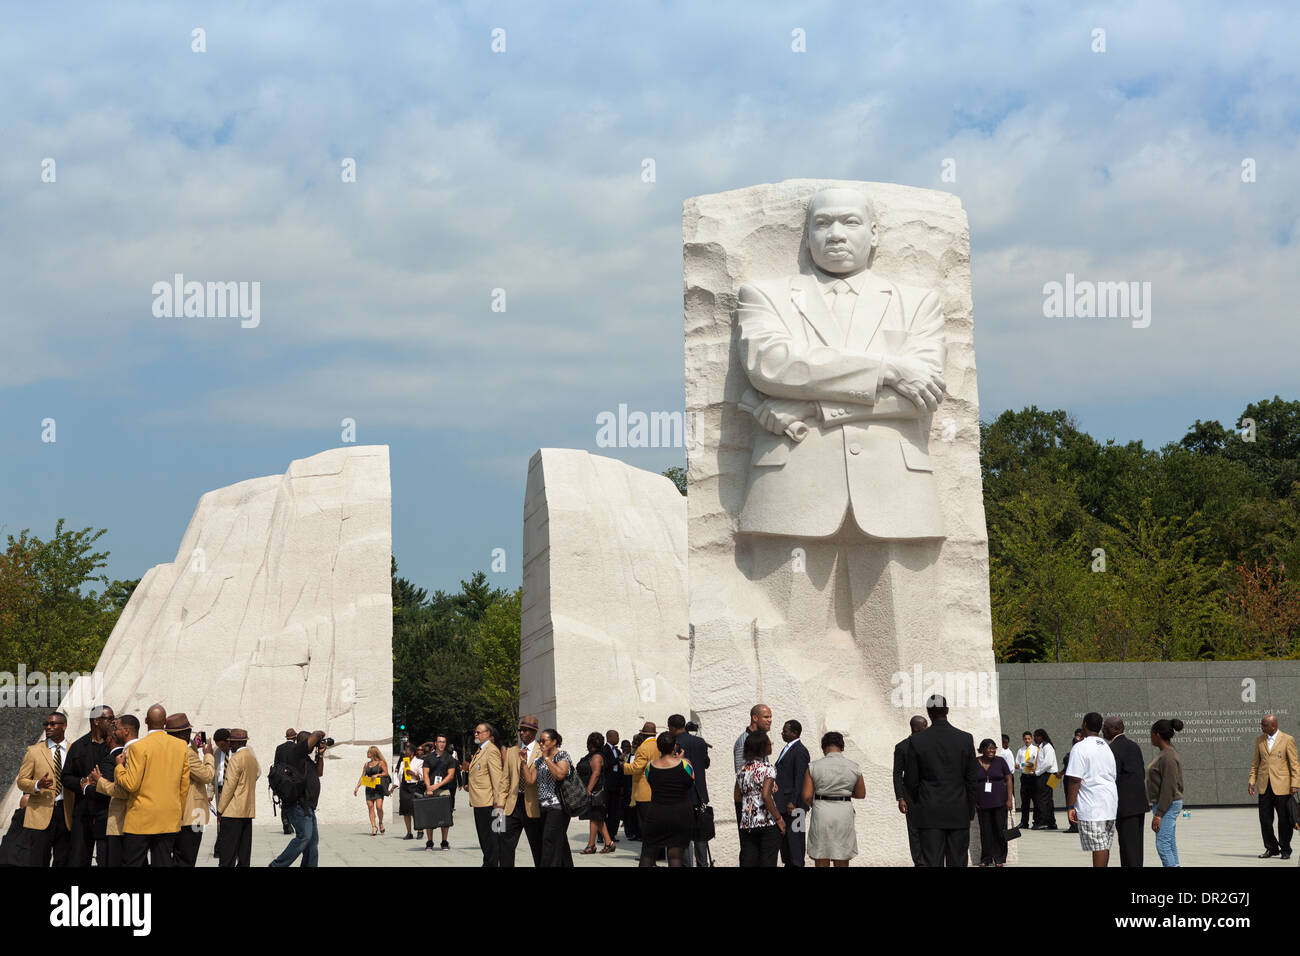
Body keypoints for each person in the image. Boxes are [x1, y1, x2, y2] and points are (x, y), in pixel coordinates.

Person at [111, 704, 191, 867]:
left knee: (134, 862)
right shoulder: (180, 746)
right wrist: (178, 811)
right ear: (165, 721)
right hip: (169, 816)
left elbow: (131, 784)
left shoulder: (138, 747)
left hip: (141, 817)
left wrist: (119, 767)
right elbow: (184, 786)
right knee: (163, 861)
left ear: (146, 720)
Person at [904, 695, 977, 867]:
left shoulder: (917, 740)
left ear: (928, 713)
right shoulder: (965, 738)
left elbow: (911, 781)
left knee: (931, 862)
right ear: (948, 710)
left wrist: (918, 804)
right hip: (958, 810)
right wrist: (969, 810)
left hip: (929, 810)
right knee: (958, 861)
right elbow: (972, 779)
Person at [16, 710, 74, 866]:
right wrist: (37, 785)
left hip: (65, 813)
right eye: (46, 724)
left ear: (64, 727)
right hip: (39, 813)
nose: (48, 727)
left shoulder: (73, 750)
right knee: (38, 860)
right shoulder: (34, 751)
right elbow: (21, 781)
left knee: (63, 859)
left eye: (53, 724)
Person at [63, 704, 116, 867]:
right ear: (96, 721)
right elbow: (65, 777)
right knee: (78, 858)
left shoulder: (114, 747)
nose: (113, 722)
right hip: (83, 812)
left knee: (106, 859)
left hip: (107, 812)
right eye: (109, 718)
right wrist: (81, 783)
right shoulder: (78, 746)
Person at [802, 731, 865, 867]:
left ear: (823, 747)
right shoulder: (854, 767)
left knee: (821, 853)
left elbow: (806, 795)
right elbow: (861, 794)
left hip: (822, 811)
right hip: (844, 812)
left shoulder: (813, 766)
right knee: (842, 853)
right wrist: (845, 792)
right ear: (842, 747)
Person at [1063, 712, 1117, 867]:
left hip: (1093, 805)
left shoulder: (1080, 747)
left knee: (1099, 845)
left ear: (1084, 725)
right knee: (1103, 844)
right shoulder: (1106, 747)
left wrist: (1070, 806)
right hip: (1110, 802)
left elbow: (1074, 779)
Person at [637, 730, 696, 867]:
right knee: (675, 857)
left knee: (647, 854)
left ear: (658, 747)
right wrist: (680, 759)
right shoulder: (686, 764)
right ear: (674, 746)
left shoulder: (650, 767)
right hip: (680, 814)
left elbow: (650, 782)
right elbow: (691, 783)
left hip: (656, 813)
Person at [269, 730, 327, 867]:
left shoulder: (305, 759)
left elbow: (319, 772)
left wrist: (320, 755)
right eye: (312, 744)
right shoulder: (295, 753)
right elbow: (314, 736)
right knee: (304, 837)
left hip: (308, 807)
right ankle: (277, 865)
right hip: (298, 806)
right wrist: (319, 734)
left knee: (312, 844)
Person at [90, 714, 138, 867]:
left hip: (123, 820)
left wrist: (99, 781)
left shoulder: (128, 754)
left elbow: (125, 790)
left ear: (126, 731)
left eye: (116, 728)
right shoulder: (143, 749)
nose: (113, 732)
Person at [1249, 713, 1299, 859]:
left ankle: (1285, 849)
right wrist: (1252, 781)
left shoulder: (1287, 739)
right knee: (1265, 819)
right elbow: (1255, 763)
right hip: (1265, 786)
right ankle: (1271, 848)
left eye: (1264, 724)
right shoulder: (1259, 740)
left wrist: (1295, 783)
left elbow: (1294, 764)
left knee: (1284, 820)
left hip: (1283, 786)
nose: (1261, 727)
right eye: (1261, 724)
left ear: (1273, 726)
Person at [169, 714, 215, 866]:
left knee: (176, 856)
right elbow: (206, 775)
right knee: (187, 857)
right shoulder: (186, 752)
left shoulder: (169, 749)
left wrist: (195, 744)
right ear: (183, 734)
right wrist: (208, 755)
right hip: (192, 815)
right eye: (188, 732)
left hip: (174, 812)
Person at [525, 729, 573, 867]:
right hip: (544, 807)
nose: (541, 743)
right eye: (540, 741)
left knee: (549, 843)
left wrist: (547, 758)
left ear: (554, 742)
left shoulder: (562, 756)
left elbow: (560, 774)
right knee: (559, 843)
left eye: (544, 741)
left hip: (558, 807)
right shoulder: (539, 760)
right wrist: (523, 763)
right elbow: (530, 780)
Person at [1103, 716, 1147, 868]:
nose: (1103, 730)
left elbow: (1113, 777)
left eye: (1106, 727)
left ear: (1115, 729)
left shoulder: (1113, 749)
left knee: (1128, 848)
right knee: (1136, 847)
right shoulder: (1134, 746)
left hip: (1125, 805)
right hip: (1138, 804)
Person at [735, 730, 783, 866]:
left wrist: (750, 799)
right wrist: (779, 819)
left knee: (749, 861)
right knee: (768, 861)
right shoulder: (768, 768)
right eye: (769, 743)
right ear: (762, 747)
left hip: (748, 823)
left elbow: (737, 797)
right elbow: (766, 795)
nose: (771, 744)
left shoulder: (742, 770)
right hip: (767, 822)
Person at [670, 714, 711, 867]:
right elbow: (706, 763)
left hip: (682, 795)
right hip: (700, 794)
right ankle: (703, 864)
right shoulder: (700, 742)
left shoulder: (674, 744)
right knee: (700, 835)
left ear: (671, 728)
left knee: (684, 837)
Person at [215, 728, 258, 867]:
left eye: (232, 743)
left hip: (232, 812)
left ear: (238, 742)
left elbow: (229, 787)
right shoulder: (251, 758)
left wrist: (220, 809)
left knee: (228, 854)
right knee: (244, 854)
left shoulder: (236, 759)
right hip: (247, 811)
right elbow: (256, 774)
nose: (230, 746)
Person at [1147, 718, 1185, 867]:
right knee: (1169, 843)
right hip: (1167, 804)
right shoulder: (1165, 753)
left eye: (1151, 733)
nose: (1150, 737)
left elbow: (1169, 786)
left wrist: (1159, 814)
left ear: (1157, 734)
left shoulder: (1168, 756)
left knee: (1162, 845)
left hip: (1167, 805)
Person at [467, 722, 505, 867]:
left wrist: (498, 803)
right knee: (485, 839)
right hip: (479, 802)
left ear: (488, 733)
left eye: (479, 732)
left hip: (489, 803)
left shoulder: (491, 750)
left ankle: (491, 864)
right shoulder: (480, 750)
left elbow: (497, 779)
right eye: (475, 732)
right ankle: (488, 862)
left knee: (491, 840)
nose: (475, 734)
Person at [774, 719, 810, 867]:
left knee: (796, 843)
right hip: (784, 806)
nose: (782, 733)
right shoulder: (787, 748)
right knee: (787, 846)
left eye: (785, 730)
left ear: (795, 733)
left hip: (796, 808)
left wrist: (793, 802)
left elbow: (800, 778)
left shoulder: (800, 751)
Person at [893, 715, 928, 866]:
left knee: (931, 830)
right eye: (924, 726)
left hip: (930, 795)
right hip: (911, 797)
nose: (927, 729)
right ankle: (919, 863)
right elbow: (897, 773)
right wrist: (900, 797)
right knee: (914, 832)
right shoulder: (902, 747)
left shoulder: (930, 745)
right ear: (916, 728)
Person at [974, 738, 1014, 866]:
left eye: (994, 748)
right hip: (982, 803)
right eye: (989, 748)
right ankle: (986, 858)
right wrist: (973, 801)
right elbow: (970, 783)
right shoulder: (975, 762)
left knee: (1000, 830)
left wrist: (1009, 799)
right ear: (982, 749)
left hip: (1000, 802)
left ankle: (1000, 858)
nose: (992, 751)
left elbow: (1008, 780)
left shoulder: (1000, 761)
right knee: (985, 831)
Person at [512, 716, 545, 863]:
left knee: (537, 846)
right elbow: (504, 780)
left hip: (532, 805)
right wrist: (498, 805)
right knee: (503, 842)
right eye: (521, 730)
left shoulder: (542, 752)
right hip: (511, 805)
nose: (522, 733)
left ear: (534, 732)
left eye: (526, 730)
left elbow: (532, 781)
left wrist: (524, 762)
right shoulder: (512, 751)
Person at [734, 704, 772, 832]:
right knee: (749, 849)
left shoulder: (762, 739)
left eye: (770, 717)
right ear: (755, 718)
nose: (770, 720)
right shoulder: (743, 741)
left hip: (763, 804)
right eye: (766, 717)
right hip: (748, 806)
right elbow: (741, 774)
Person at [627, 721, 661, 854]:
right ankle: (658, 853)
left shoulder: (643, 748)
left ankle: (648, 855)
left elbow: (636, 768)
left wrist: (624, 765)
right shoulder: (659, 745)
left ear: (643, 734)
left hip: (644, 791)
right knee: (656, 825)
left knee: (645, 826)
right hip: (657, 790)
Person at [577, 732, 614, 854]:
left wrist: (588, 790)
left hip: (595, 791)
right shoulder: (594, 755)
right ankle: (609, 843)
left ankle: (591, 845)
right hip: (595, 790)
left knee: (594, 817)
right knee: (598, 818)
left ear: (590, 743)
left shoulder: (597, 757)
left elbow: (596, 773)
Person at [423, 734, 458, 849]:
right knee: (429, 816)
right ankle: (429, 841)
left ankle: (444, 841)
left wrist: (436, 786)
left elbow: (451, 775)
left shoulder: (450, 758)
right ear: (435, 743)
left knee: (445, 816)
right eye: (439, 741)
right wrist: (429, 787)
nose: (442, 744)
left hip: (444, 790)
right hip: (430, 790)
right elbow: (425, 773)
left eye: (444, 742)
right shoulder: (428, 758)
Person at [354, 746, 389, 836]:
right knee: (370, 807)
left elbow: (386, 773)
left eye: (369, 752)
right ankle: (374, 826)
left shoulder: (381, 763)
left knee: (379, 807)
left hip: (378, 787)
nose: (367, 753)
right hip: (369, 787)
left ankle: (380, 822)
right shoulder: (366, 764)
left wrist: (377, 775)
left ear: (373, 753)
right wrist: (357, 787)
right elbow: (363, 777)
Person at [1030, 729, 1058, 830]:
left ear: (1041, 736)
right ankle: (1051, 822)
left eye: (1036, 736)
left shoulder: (1047, 746)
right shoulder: (1040, 747)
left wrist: (1037, 772)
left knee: (1042, 799)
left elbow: (1048, 763)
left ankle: (1044, 822)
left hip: (1048, 775)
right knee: (1048, 799)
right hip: (1047, 774)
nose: (1034, 739)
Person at [273, 729, 299, 835]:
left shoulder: (279, 748)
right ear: (295, 738)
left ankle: (286, 823)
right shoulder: (297, 748)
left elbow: (276, 764)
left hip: (282, 781)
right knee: (295, 803)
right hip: (294, 781)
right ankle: (295, 823)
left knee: (284, 803)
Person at [1061, 728, 1085, 833]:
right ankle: (1075, 824)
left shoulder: (1074, 755)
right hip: (1072, 780)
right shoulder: (1074, 754)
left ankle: (1074, 825)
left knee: (1072, 802)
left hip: (1072, 781)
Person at [211, 727, 230, 859]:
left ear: (228, 741)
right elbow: (212, 775)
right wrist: (209, 793)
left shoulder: (242, 750)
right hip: (221, 790)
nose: (221, 748)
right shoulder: (215, 752)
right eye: (218, 746)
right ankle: (220, 848)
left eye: (222, 745)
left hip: (236, 791)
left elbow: (255, 772)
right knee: (220, 819)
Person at [1015, 730, 1037, 830]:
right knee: (1025, 801)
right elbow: (1016, 765)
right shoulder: (1021, 750)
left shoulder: (1035, 749)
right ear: (1023, 739)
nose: (1027, 740)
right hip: (1024, 777)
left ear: (1031, 739)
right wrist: (1023, 764)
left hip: (1033, 777)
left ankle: (1036, 821)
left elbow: (1032, 763)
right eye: (1025, 739)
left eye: (1029, 739)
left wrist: (1022, 764)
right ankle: (1024, 822)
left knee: (1035, 800)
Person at [396, 741, 418, 839]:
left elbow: (421, 777)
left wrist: (413, 773)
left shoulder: (419, 762)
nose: (405, 752)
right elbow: (399, 776)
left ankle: (420, 829)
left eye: (407, 751)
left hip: (414, 787)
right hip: (404, 787)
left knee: (415, 810)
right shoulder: (403, 762)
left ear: (412, 753)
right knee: (405, 811)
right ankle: (409, 832)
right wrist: (394, 787)